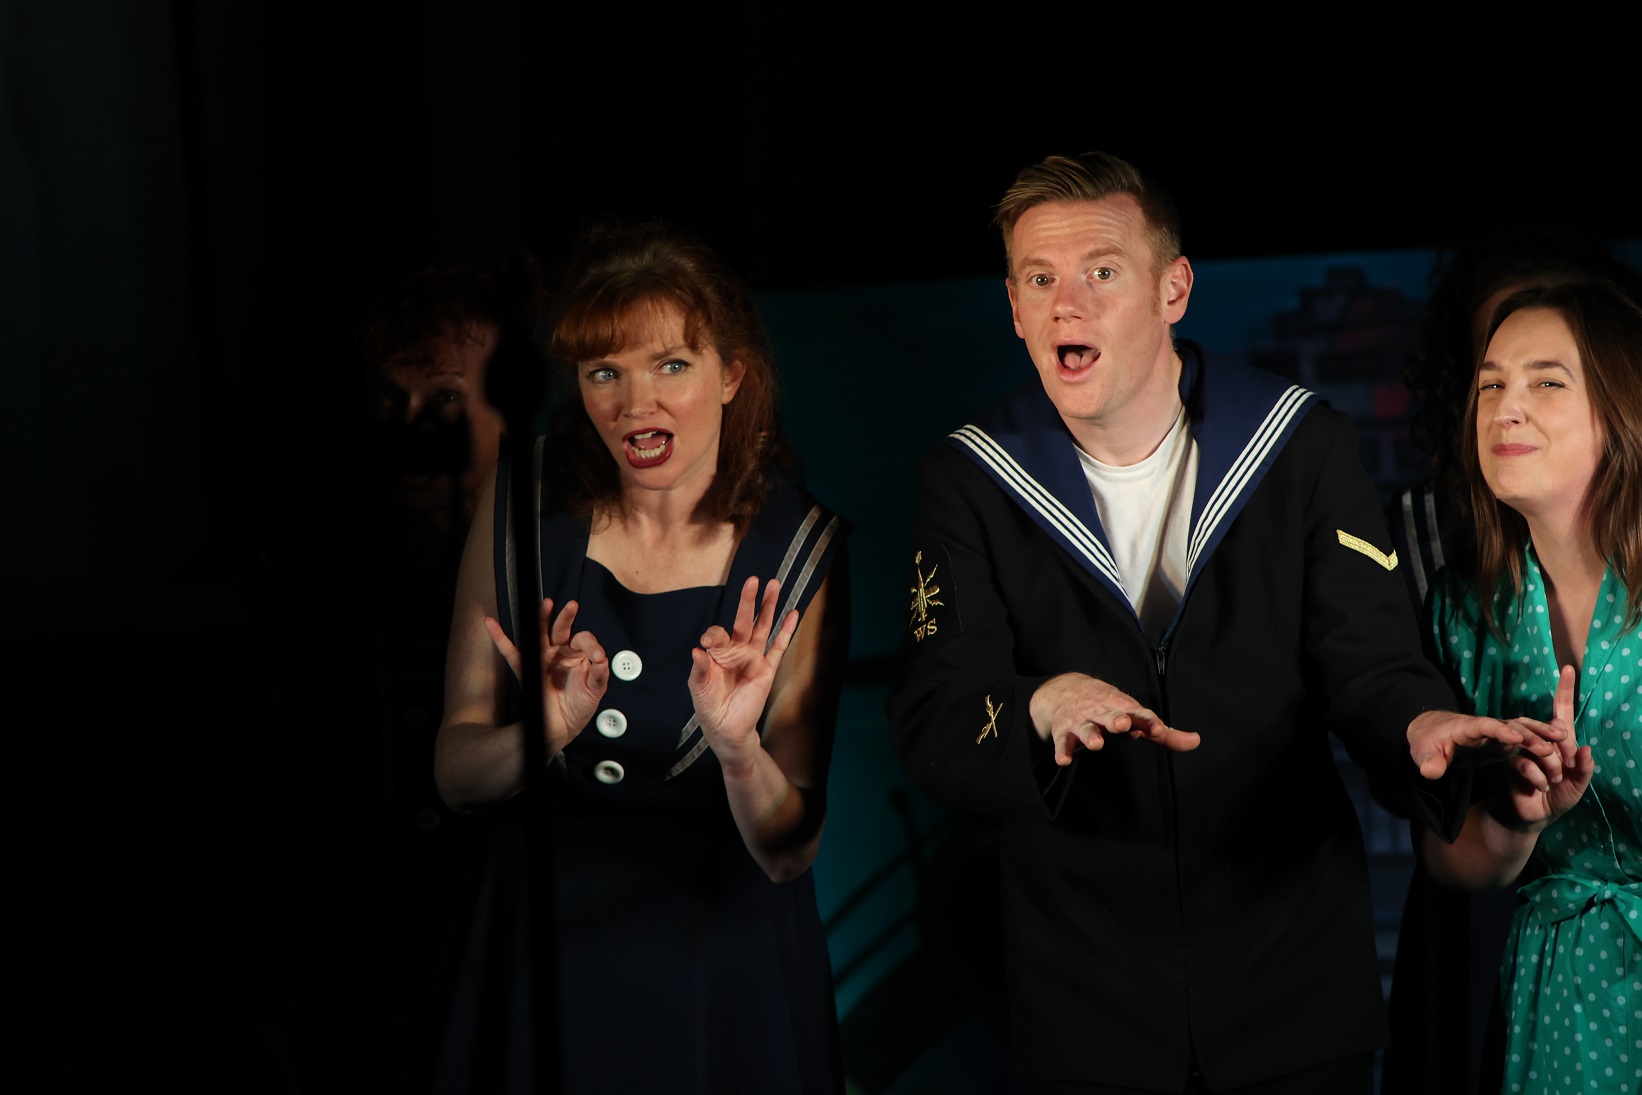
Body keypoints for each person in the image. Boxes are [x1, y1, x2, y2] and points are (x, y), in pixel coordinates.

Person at [887, 152, 1562, 1094]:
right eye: (1039, 280)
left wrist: (1421, 722)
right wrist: (1041, 704)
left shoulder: (1299, 444)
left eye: (1101, 271)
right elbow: (939, 718)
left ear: (1174, 289)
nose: (1066, 305)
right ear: (1012, 306)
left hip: (1293, 987)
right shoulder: (969, 481)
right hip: (1085, 1007)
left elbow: (1370, 665)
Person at [433, 223, 850, 1093]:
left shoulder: (800, 545)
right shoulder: (521, 501)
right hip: (543, 951)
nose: (635, 402)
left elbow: (788, 851)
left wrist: (739, 751)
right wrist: (539, 734)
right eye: (604, 372)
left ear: (732, 374)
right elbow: (455, 773)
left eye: (671, 365)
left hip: (720, 965)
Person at [1419, 279, 1642, 1095]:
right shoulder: (1464, 612)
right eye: (1490, 386)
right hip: (1561, 1003)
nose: (1505, 408)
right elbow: (1448, 858)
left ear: (1624, 408)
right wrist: (1517, 818)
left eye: (1546, 381)